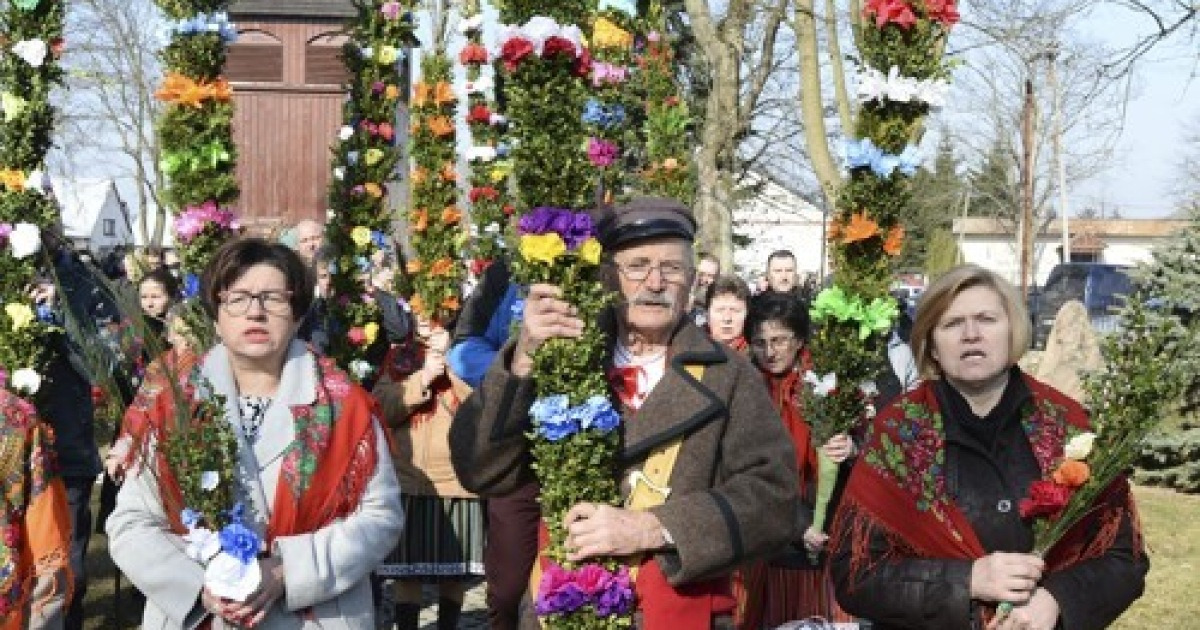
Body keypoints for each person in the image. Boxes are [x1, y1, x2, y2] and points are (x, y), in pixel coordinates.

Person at [450, 197, 800, 628]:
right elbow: (478, 469)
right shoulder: (562, 357)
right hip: (561, 606)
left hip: (675, 611)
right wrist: (521, 360)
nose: (654, 281)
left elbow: (775, 498)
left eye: (671, 269)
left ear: (692, 283)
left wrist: (654, 528)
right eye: (637, 266)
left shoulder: (730, 375)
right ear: (608, 277)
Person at [828, 264, 1148, 630]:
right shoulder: (898, 434)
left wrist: (1057, 601)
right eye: (952, 324)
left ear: (1012, 329)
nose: (971, 334)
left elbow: (1125, 557)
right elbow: (855, 573)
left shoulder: (1066, 426)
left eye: (986, 319)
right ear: (931, 344)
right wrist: (967, 581)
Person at [107, 237, 404, 629]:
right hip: (200, 616)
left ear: (297, 314)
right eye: (238, 298)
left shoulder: (344, 408)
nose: (256, 312)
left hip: (311, 616)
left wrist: (287, 572)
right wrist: (197, 586)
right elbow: (132, 522)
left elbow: (380, 517)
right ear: (216, 314)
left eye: (273, 298)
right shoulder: (174, 408)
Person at [736, 294, 855, 628]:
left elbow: (866, 443)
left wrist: (850, 447)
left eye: (779, 341)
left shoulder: (826, 384)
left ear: (800, 339)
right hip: (762, 536)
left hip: (822, 537)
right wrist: (796, 523)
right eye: (759, 342)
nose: (769, 352)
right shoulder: (742, 385)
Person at [445, 259, 540, 630]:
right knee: (508, 585)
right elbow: (464, 348)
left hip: (589, 432)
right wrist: (519, 366)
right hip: (516, 444)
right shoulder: (506, 271)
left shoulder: (603, 256)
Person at [373, 321, 483, 630]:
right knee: (407, 571)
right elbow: (381, 407)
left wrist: (448, 371)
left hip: (455, 480)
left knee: (454, 572)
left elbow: (480, 411)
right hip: (408, 478)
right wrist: (422, 378)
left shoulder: (468, 354)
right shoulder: (399, 357)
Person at [704, 274, 750, 352]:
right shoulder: (690, 349)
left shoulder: (758, 356)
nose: (727, 318)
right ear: (707, 315)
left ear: (747, 314)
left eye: (735, 310)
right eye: (720, 310)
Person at [688, 252, 720, 327]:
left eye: (710, 276)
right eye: (701, 274)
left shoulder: (718, 302)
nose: (705, 279)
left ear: (717, 278)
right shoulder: (683, 295)